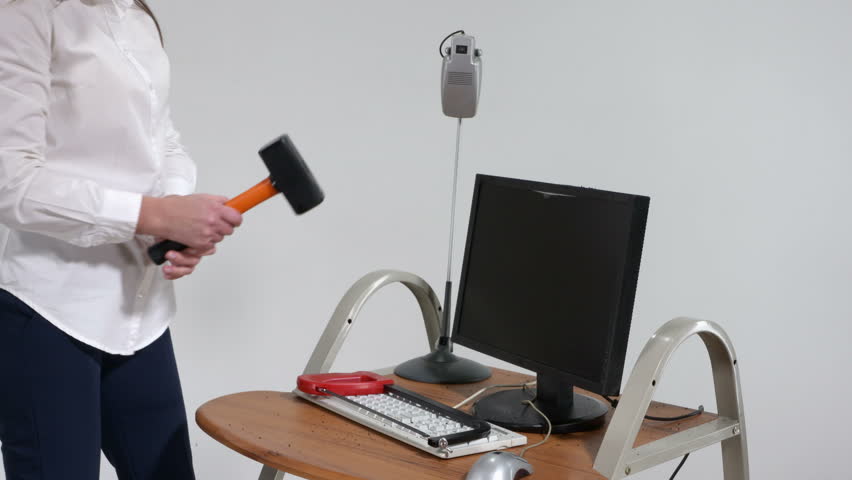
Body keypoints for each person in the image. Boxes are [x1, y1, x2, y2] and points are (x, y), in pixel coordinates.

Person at [0, 0, 242, 478]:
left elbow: (162, 138)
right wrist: (153, 213)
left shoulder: (135, 15)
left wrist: (175, 214)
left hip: (141, 313)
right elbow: (11, 182)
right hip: (49, 314)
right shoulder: (25, 13)